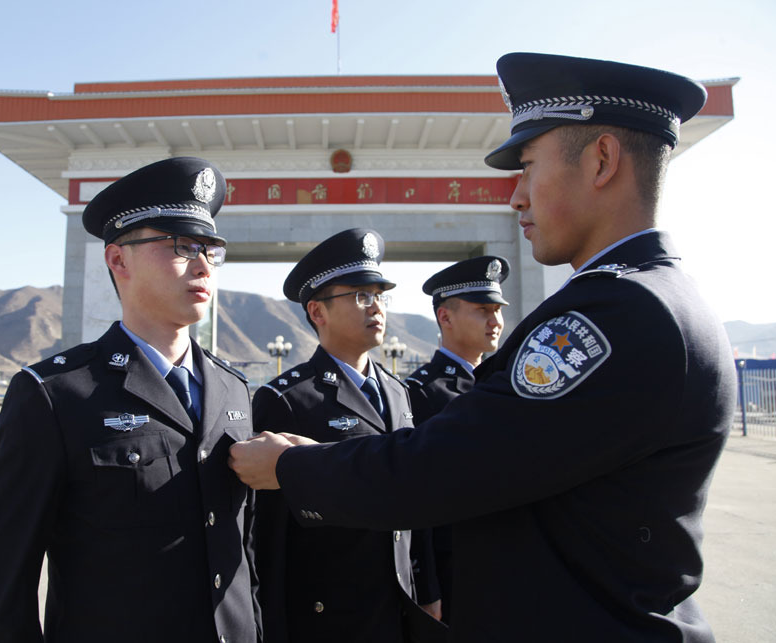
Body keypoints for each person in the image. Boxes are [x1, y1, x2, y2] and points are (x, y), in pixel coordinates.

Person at [229, 52, 737, 642]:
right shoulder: (660, 298)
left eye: (526, 166)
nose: (516, 197)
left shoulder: (615, 313)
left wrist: (291, 466)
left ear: (602, 160)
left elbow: (448, 465)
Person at [0, 157, 261, 643]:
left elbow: (245, 551)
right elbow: (4, 577)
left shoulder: (233, 388)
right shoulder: (56, 394)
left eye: (211, 249)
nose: (202, 263)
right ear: (118, 259)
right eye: (180, 245)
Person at [252, 228, 441, 643]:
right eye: (360, 296)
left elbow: (417, 497)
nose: (376, 307)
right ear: (317, 312)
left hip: (399, 607)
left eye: (379, 295)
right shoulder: (287, 400)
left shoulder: (398, 391)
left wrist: (427, 591)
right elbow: (268, 537)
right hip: (327, 614)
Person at [405, 256, 509, 625]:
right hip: (455, 577)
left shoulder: (504, 386)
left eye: (497, 310)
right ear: (445, 317)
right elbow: (415, 501)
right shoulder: (421, 393)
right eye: (483, 310)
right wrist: (426, 587)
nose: (495, 321)